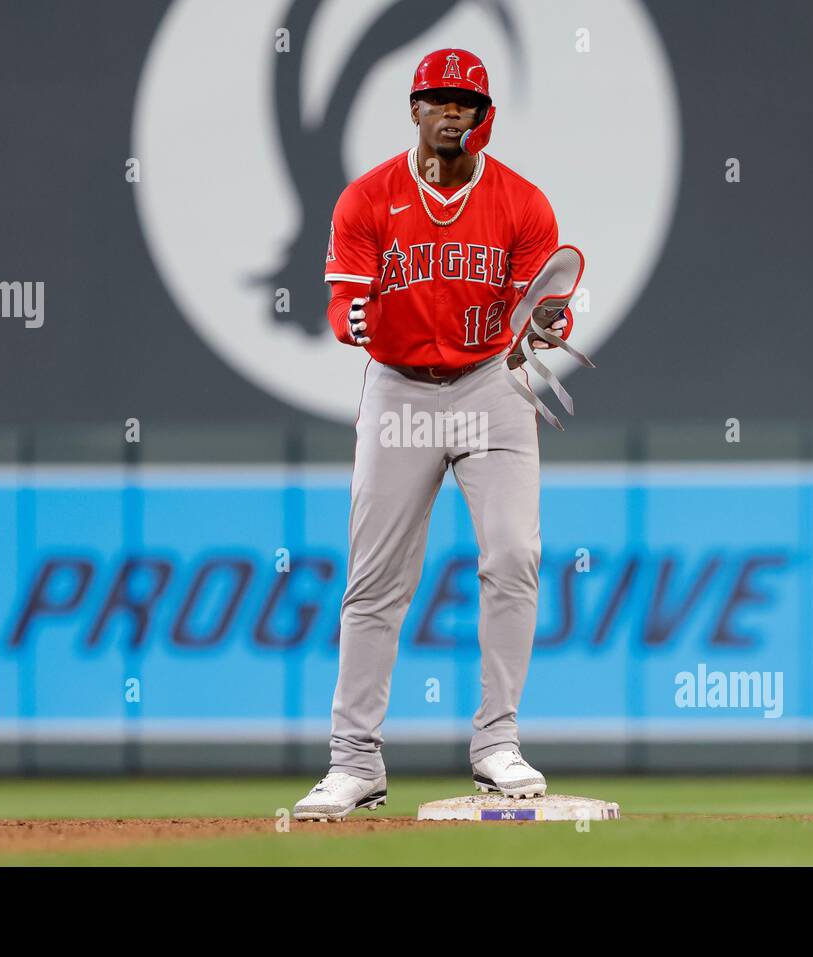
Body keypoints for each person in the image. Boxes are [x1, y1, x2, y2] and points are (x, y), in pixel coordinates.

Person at [294, 48, 576, 821]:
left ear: (484, 116)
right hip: (398, 389)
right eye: (438, 99)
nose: (452, 112)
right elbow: (342, 302)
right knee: (374, 579)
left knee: (516, 554)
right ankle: (354, 760)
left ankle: (496, 741)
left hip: (491, 383)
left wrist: (548, 323)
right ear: (414, 109)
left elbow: (542, 310)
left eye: (466, 101)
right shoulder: (366, 198)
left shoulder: (521, 203)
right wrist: (347, 318)